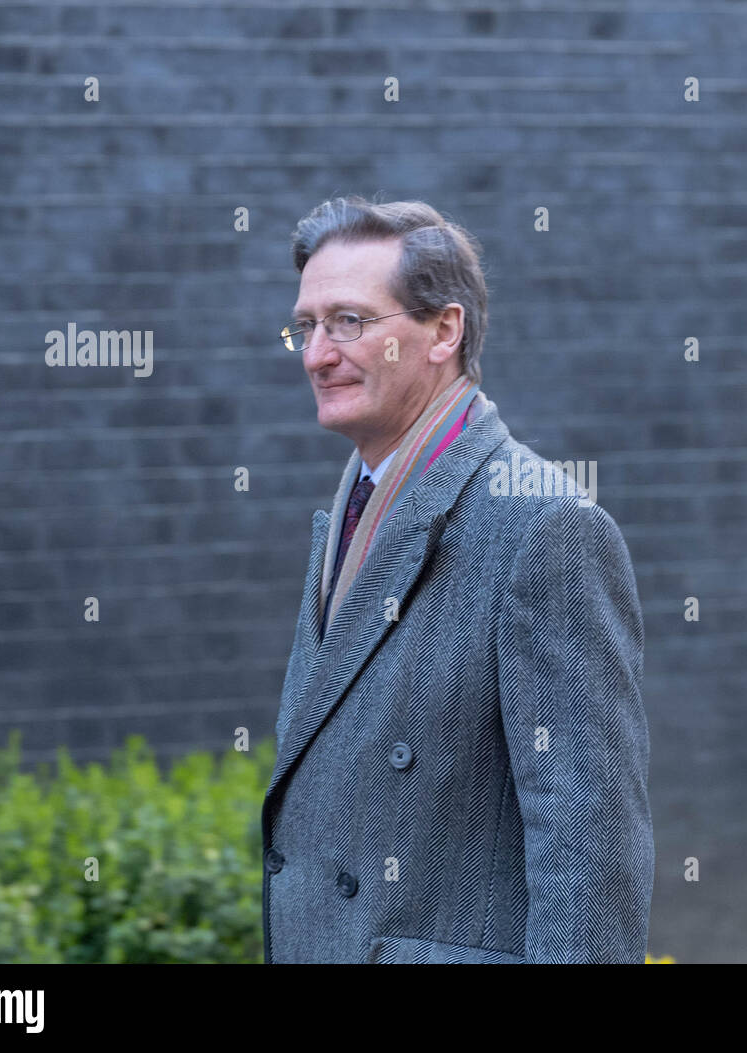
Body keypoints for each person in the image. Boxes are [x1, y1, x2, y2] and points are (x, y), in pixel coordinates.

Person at [262, 196, 653, 963]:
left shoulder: (546, 528)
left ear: (444, 331)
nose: (317, 354)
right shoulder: (352, 509)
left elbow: (591, 851)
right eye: (306, 326)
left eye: (349, 321)